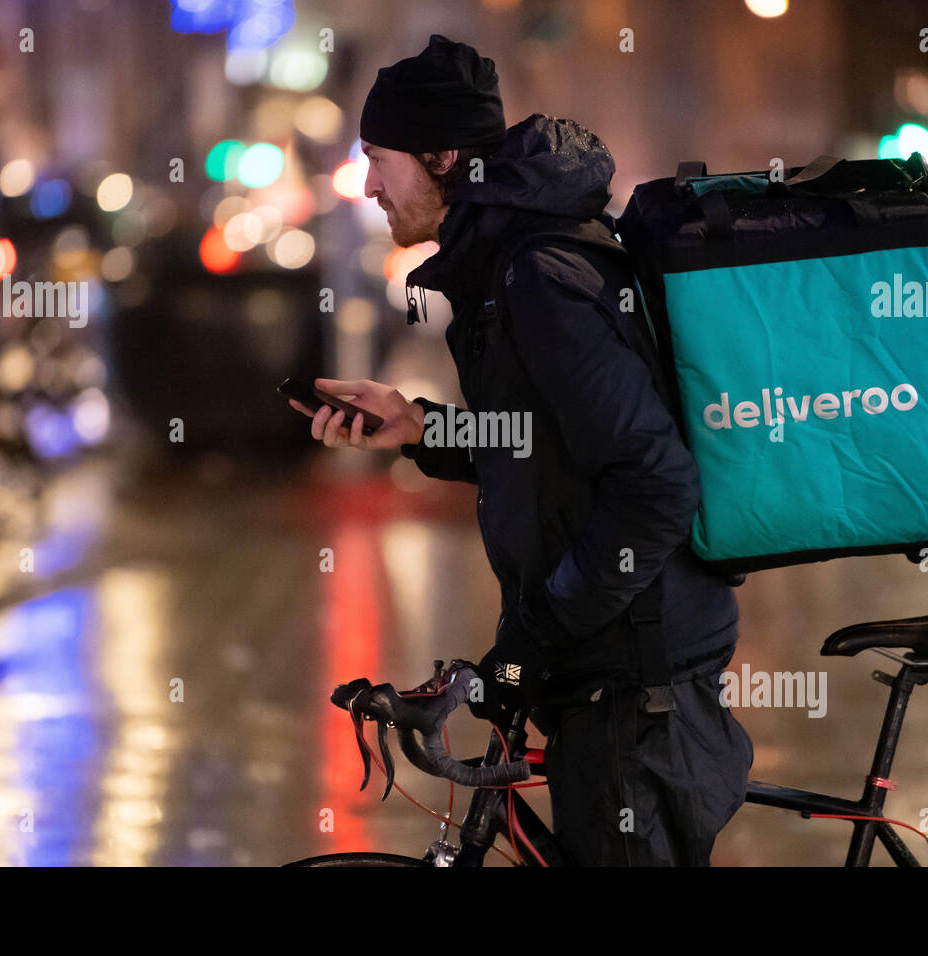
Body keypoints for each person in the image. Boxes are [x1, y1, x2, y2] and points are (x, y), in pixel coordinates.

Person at [290, 34, 753, 866]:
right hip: (609, 669)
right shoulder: (509, 267)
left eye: (377, 159)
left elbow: (654, 480)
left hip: (632, 682)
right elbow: (546, 445)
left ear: (439, 156)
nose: (369, 185)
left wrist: (535, 641)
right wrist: (420, 426)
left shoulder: (537, 276)